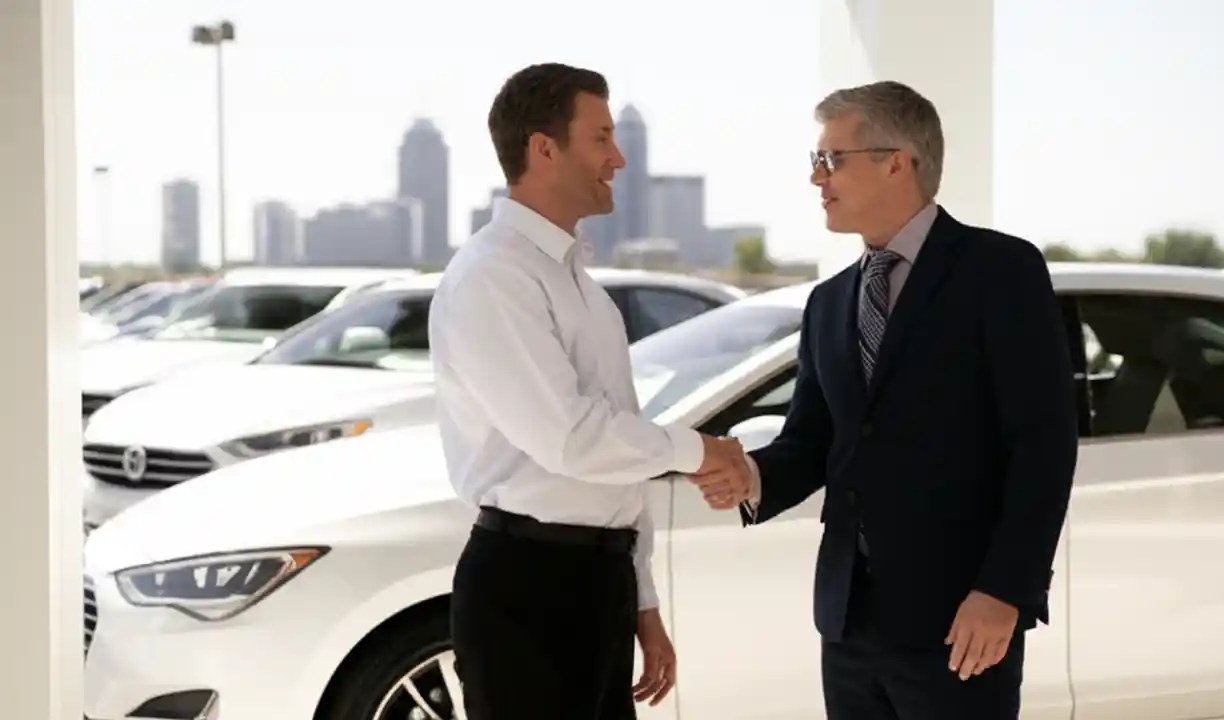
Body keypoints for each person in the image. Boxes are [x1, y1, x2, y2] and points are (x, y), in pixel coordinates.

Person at [692, 81, 1078, 718]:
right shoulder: (828, 303)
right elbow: (815, 443)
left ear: (898, 160)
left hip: (962, 619)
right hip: (848, 622)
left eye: (831, 160)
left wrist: (1004, 591)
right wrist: (751, 477)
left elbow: (1043, 446)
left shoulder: (1000, 271)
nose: (817, 179)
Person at [428, 62, 750, 720]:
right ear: (544, 149)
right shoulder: (495, 277)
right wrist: (700, 452)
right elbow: (573, 440)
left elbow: (610, 466)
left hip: (594, 585)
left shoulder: (580, 285)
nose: (619, 157)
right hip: (528, 590)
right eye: (601, 137)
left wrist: (642, 603)